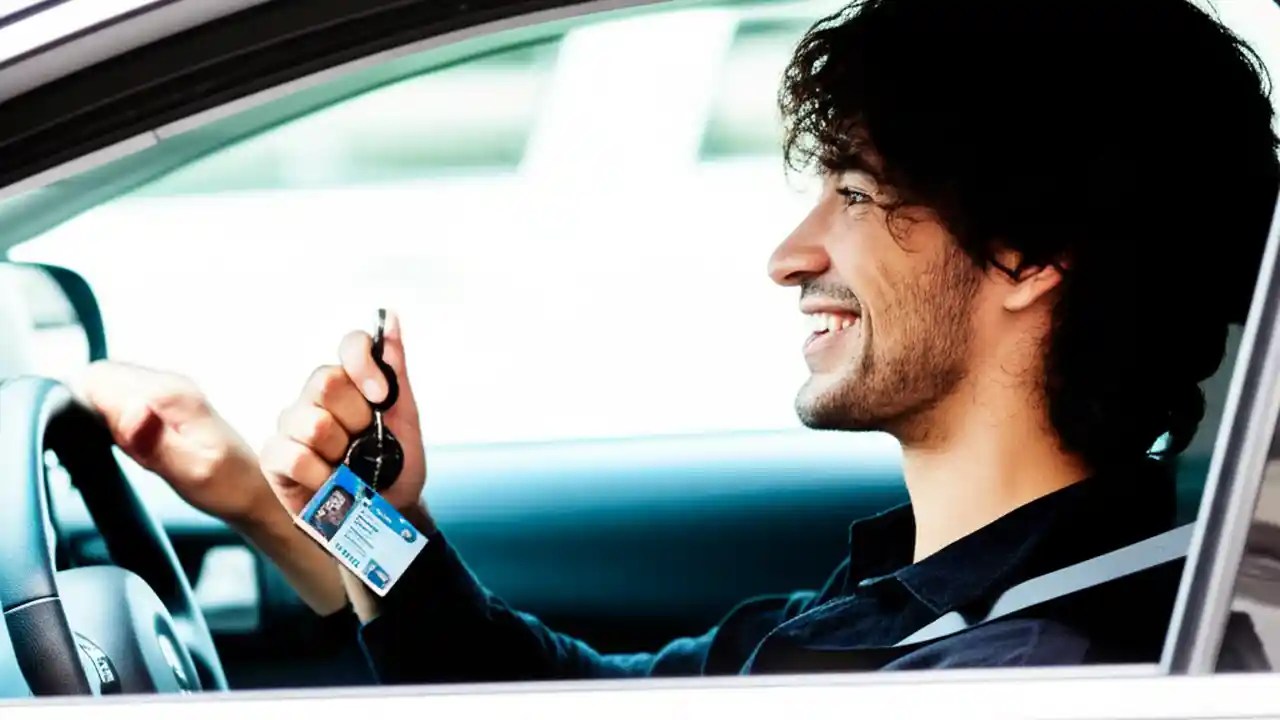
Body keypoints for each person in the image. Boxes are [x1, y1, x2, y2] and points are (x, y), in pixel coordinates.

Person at [74, 0, 1280, 681]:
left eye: (855, 195)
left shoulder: (1014, 674)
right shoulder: (924, 598)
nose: (789, 254)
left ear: (1026, 252)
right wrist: (314, 508)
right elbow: (576, 704)